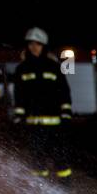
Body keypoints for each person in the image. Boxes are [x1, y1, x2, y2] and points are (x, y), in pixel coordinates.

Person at [11, 26, 73, 181]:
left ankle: (65, 186)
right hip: (33, 124)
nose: (34, 47)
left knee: (60, 157)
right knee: (37, 160)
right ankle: (40, 188)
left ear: (44, 46)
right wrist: (19, 115)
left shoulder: (53, 67)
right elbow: (19, 94)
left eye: (37, 44)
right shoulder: (22, 69)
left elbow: (64, 91)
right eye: (31, 44)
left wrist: (66, 112)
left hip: (55, 124)